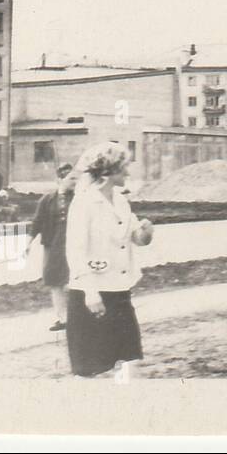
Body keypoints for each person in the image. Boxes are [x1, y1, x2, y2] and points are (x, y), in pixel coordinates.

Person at [64, 142, 154, 378]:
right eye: (124, 167)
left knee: (130, 360)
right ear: (109, 170)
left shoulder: (120, 200)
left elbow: (135, 237)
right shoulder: (83, 202)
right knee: (89, 370)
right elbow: (75, 251)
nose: (128, 172)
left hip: (120, 291)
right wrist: (90, 294)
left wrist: (145, 232)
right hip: (91, 296)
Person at [24, 162, 75, 331]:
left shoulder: (80, 198)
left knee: (73, 280)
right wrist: (28, 243)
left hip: (74, 244)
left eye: (75, 178)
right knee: (54, 280)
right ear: (59, 179)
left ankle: (78, 318)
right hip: (52, 244)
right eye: (69, 178)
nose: (74, 182)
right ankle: (63, 319)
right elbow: (37, 222)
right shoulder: (46, 200)